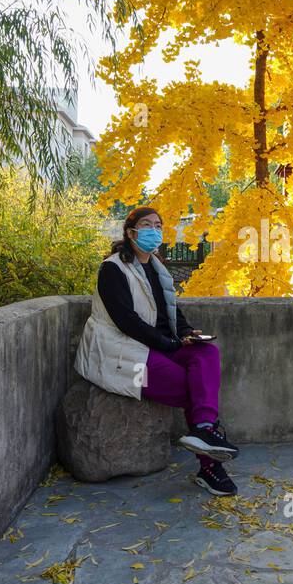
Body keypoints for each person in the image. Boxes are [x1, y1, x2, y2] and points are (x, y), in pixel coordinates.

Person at [76, 206, 240, 496]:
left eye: (158, 225)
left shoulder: (157, 268)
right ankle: (210, 465)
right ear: (131, 232)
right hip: (124, 351)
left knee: (207, 354)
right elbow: (128, 322)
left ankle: (203, 428)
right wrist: (171, 344)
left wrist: (187, 333)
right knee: (190, 386)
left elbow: (170, 312)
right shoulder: (112, 269)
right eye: (147, 225)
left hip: (162, 345)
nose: (154, 230)